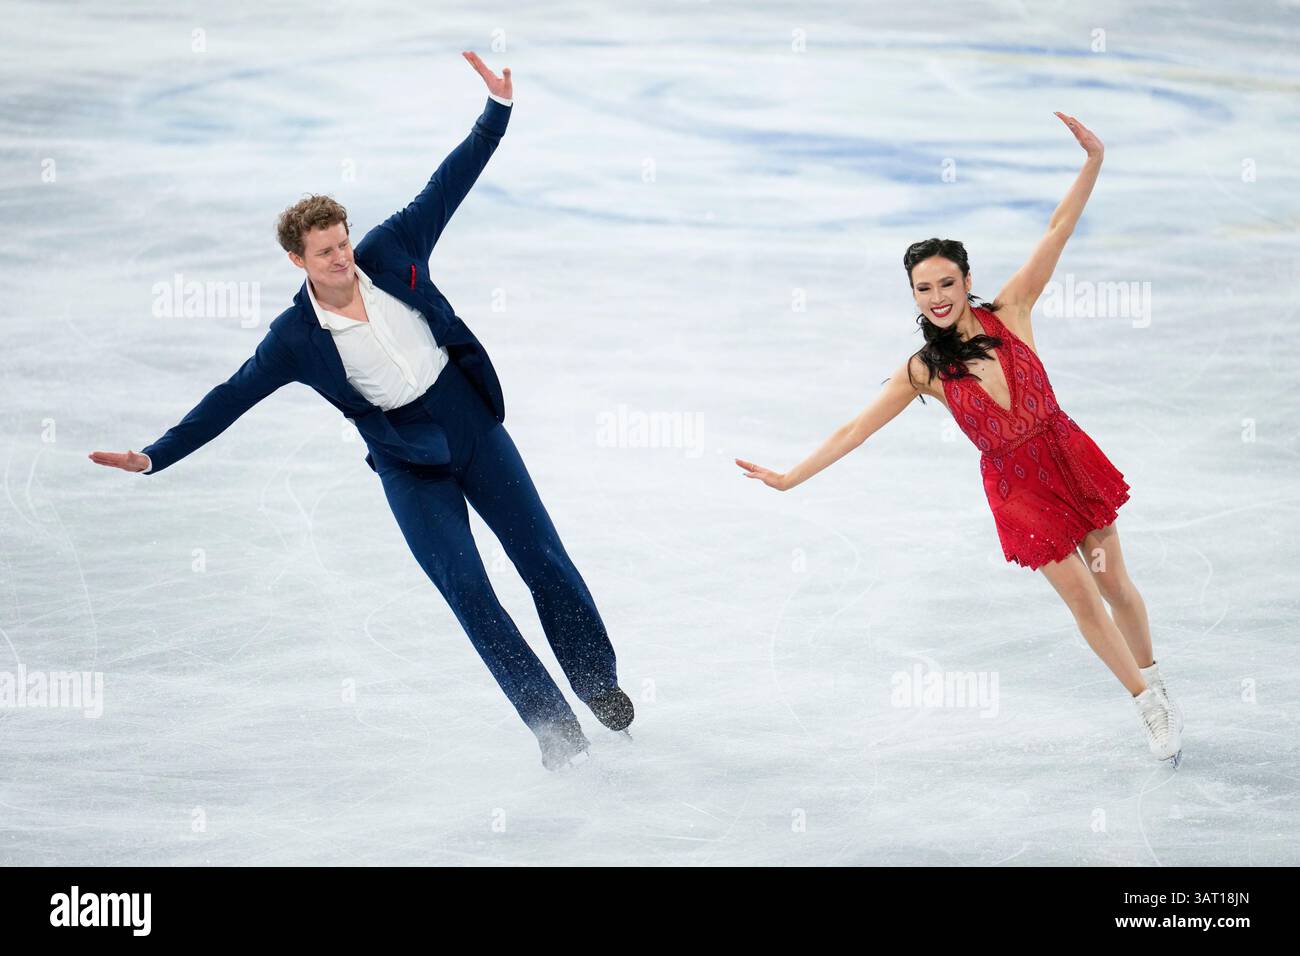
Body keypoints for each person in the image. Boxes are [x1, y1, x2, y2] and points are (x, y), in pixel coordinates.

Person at [89, 52, 630, 771]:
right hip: (409, 460)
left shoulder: (391, 249)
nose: (343, 259)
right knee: (469, 593)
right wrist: (155, 454)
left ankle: (598, 684)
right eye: (326, 253)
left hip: (468, 419)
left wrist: (496, 111)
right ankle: (554, 729)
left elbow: (449, 183)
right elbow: (229, 397)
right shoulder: (295, 339)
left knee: (543, 560)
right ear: (298, 261)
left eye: (343, 243)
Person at [735, 113, 1183, 768]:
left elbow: (1058, 229)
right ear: (914, 295)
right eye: (924, 288)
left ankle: (1154, 674)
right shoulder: (925, 370)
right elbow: (855, 428)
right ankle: (1146, 702)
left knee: (1114, 582)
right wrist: (788, 477)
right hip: (1019, 490)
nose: (938, 297)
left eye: (947, 283)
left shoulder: (1014, 311)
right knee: (1083, 598)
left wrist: (1093, 160)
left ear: (967, 281)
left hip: (1066, 457)